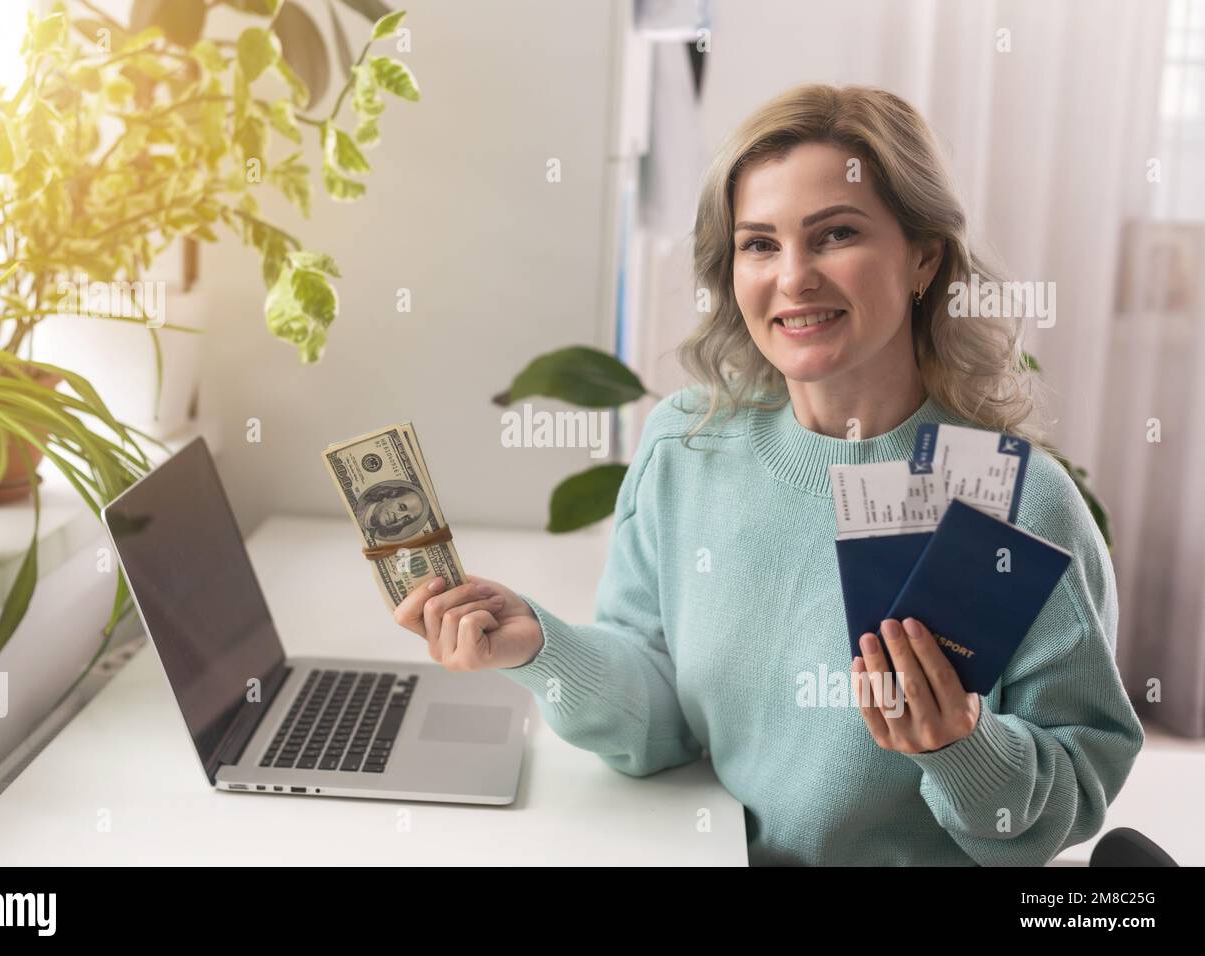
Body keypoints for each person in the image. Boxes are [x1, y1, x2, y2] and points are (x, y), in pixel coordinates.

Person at [392, 83, 1144, 866]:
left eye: (836, 234)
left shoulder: (1018, 500)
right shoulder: (686, 443)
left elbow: (1074, 787)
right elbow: (662, 715)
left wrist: (960, 744)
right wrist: (541, 647)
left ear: (924, 256)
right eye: (759, 244)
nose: (793, 278)